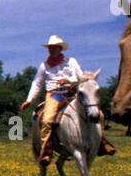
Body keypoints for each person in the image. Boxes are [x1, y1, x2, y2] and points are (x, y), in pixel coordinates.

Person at [21, 36, 116, 164]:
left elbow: (80, 77)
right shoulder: (44, 66)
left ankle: (100, 144)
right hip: (54, 94)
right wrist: (29, 100)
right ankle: (46, 151)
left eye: (54, 47)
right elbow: (37, 83)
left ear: (60, 49)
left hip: (72, 93)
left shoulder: (71, 61)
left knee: (99, 115)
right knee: (48, 119)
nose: (52, 50)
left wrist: (69, 81)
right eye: (50, 48)